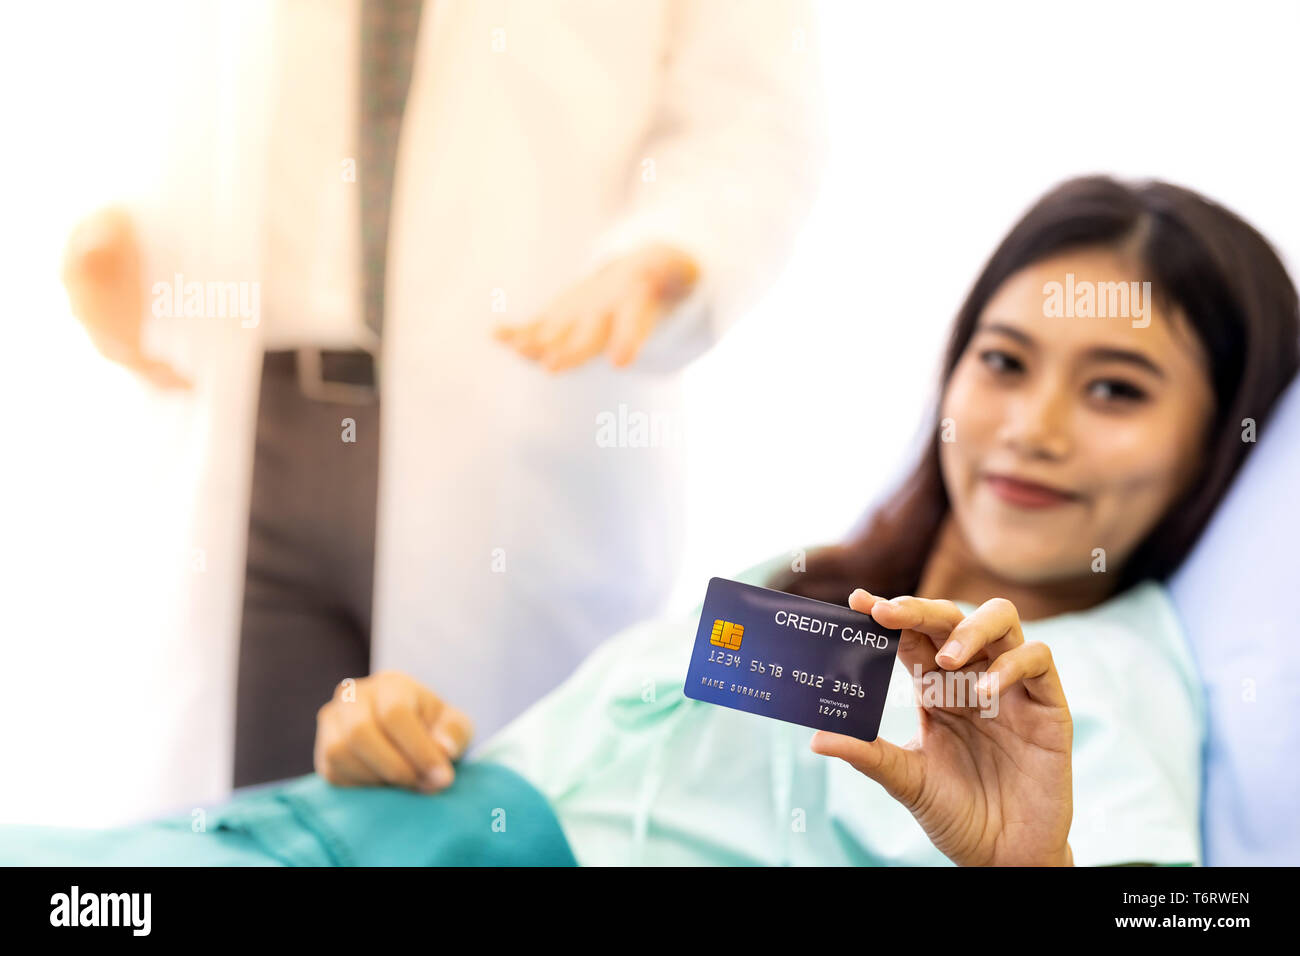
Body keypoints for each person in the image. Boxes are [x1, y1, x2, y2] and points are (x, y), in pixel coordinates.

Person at [14, 175, 1295, 866]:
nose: (1033, 425)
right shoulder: (810, 581)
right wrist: (394, 742)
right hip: (314, 826)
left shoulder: (1092, 697)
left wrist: (1026, 867)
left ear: (1212, 437)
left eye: (1116, 389)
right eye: (1004, 361)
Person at [58, 0, 825, 798]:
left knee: (469, 808)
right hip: (247, 419)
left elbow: (755, 111)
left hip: (525, 414)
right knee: (245, 820)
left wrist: (674, 249)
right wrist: (106, 214)